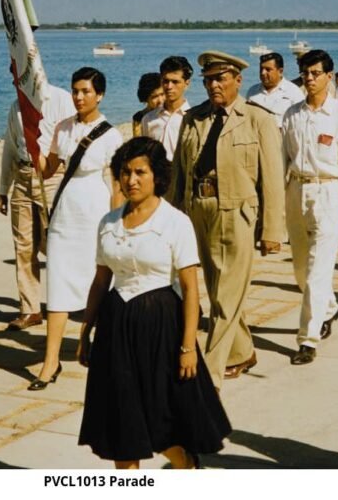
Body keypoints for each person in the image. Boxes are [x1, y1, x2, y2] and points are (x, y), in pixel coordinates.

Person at [77, 137, 231, 469]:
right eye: (125, 172)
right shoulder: (108, 223)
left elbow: (190, 289)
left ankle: (185, 463)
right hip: (116, 329)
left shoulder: (175, 222)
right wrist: (86, 330)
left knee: (161, 420)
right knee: (121, 424)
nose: (131, 180)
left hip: (162, 329)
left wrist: (188, 347)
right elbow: (101, 280)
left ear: (156, 175)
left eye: (140, 172)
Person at [169, 51, 285, 387]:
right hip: (198, 210)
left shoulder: (257, 119)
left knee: (227, 294)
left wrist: (271, 230)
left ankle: (210, 374)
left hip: (237, 213)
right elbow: (178, 173)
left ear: (238, 80)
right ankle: (243, 351)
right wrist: (169, 219)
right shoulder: (193, 119)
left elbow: (272, 179)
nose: (213, 85)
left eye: (220, 78)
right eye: (208, 80)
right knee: (219, 291)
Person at [30, 67, 124, 390]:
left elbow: (117, 187)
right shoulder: (63, 127)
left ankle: (89, 343)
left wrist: (115, 224)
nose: (79, 97)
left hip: (94, 214)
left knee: (96, 285)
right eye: (75, 91)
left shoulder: (111, 135)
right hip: (64, 213)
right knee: (56, 285)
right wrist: (33, 146)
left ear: (100, 95)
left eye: (86, 91)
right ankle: (50, 361)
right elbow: (48, 171)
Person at [282, 49, 338, 365]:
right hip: (296, 190)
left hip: (328, 192)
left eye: (316, 73)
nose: (310, 79)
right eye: (305, 73)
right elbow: (283, 158)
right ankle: (329, 308)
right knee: (301, 269)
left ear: (329, 76)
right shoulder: (292, 114)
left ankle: (307, 339)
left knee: (318, 270)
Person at [0, 69, 76, 330]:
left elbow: (71, 142)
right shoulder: (16, 107)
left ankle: (69, 299)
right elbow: (10, 146)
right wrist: (3, 188)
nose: (16, 80)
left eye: (20, 74)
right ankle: (30, 309)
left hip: (52, 176)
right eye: (14, 75)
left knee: (54, 242)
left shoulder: (61, 99)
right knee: (23, 246)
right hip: (22, 176)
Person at [141, 56, 193, 161]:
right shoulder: (148, 119)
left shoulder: (193, 120)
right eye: (166, 81)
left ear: (186, 84)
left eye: (175, 82)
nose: (169, 87)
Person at [245, 52, 304, 127]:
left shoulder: (294, 93)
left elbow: (300, 123)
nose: (263, 73)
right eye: (261, 69)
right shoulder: (252, 91)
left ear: (280, 71)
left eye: (268, 69)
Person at [132, 72, 164, 137]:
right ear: (146, 98)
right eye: (154, 97)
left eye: (162, 94)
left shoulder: (172, 112)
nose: (160, 100)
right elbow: (138, 140)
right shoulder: (139, 118)